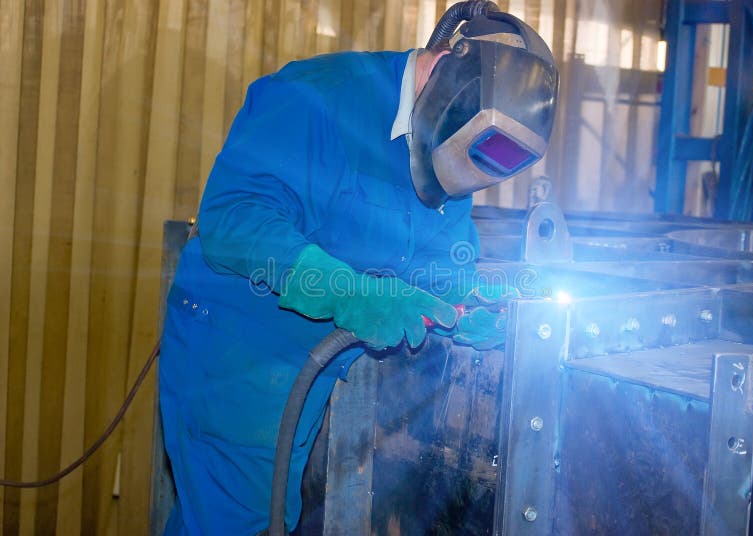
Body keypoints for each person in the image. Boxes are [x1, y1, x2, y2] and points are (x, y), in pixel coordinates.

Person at [158, 2, 558, 534]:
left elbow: (439, 256)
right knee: (238, 523)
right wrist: (346, 291)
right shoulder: (314, 96)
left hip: (318, 364)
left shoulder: (459, 141)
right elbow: (235, 217)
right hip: (236, 355)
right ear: (441, 74)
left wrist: (467, 305)